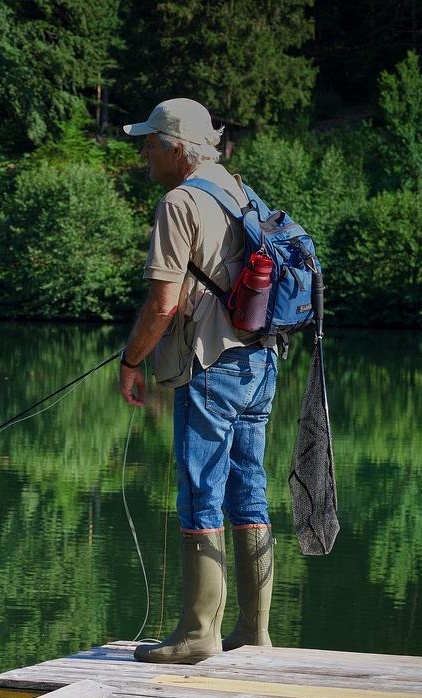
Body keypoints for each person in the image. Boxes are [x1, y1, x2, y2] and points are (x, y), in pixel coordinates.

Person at [118, 98, 277, 664]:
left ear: (178, 148)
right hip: (261, 362)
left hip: (210, 364)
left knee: (201, 490)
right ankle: (253, 629)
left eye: (151, 142)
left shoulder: (178, 201)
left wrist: (132, 361)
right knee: (248, 489)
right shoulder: (236, 189)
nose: (144, 153)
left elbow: (162, 305)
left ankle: (196, 634)